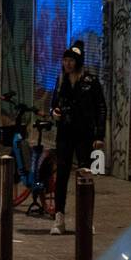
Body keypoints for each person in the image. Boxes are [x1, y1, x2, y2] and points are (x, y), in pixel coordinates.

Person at [48, 42, 106, 235]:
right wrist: (54, 113)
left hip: (84, 134)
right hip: (64, 133)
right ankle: (59, 217)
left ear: (78, 62)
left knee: (85, 175)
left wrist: (99, 135)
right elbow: (54, 104)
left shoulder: (91, 81)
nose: (67, 64)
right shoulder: (61, 80)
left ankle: (86, 219)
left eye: (71, 61)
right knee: (62, 175)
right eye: (65, 61)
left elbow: (101, 108)